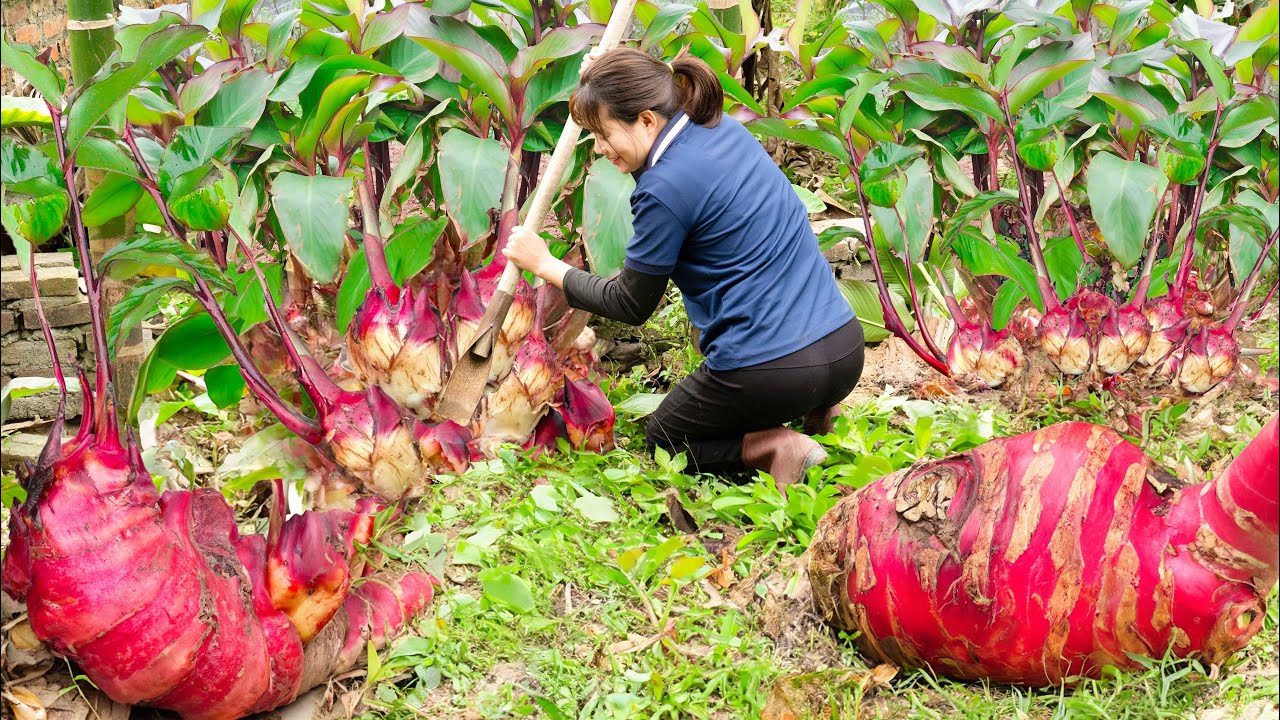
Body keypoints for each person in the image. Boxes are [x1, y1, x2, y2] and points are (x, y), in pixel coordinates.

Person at [503, 47, 863, 488]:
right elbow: (671, 181)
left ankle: (778, 446)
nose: (598, 148)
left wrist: (545, 264)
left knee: (667, 438)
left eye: (604, 133)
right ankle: (820, 411)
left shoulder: (663, 189)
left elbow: (631, 303)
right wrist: (611, 78)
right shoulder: (721, 129)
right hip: (844, 350)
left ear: (647, 120)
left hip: (773, 372)